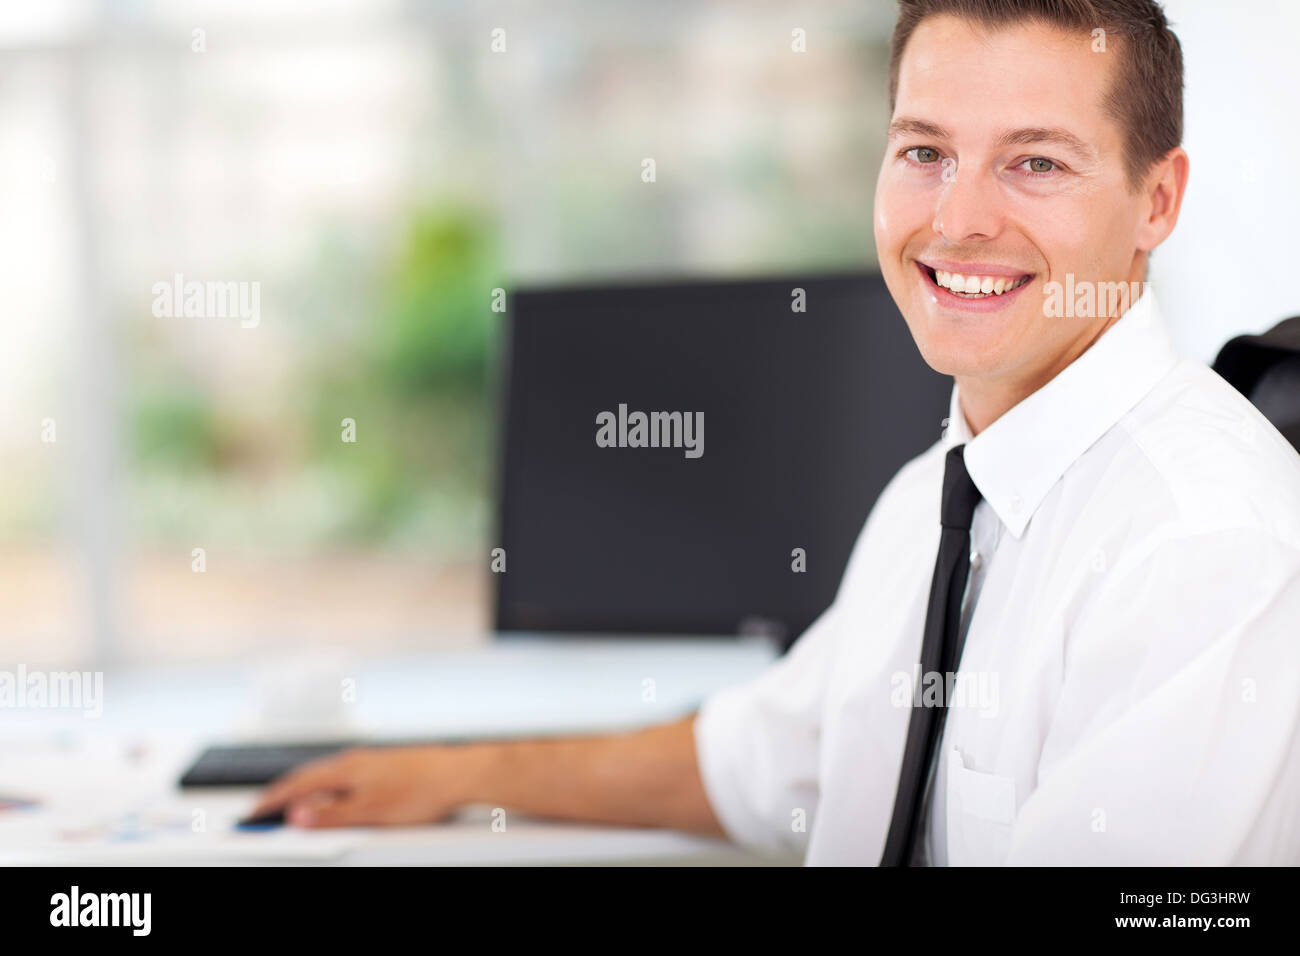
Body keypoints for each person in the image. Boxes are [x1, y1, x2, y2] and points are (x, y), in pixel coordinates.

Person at [251, 0, 1300, 864]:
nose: (960, 217)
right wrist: (447, 775)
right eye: (924, 151)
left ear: (1156, 198)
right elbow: (756, 759)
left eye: (1035, 163)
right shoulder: (931, 500)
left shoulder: (1203, 543)